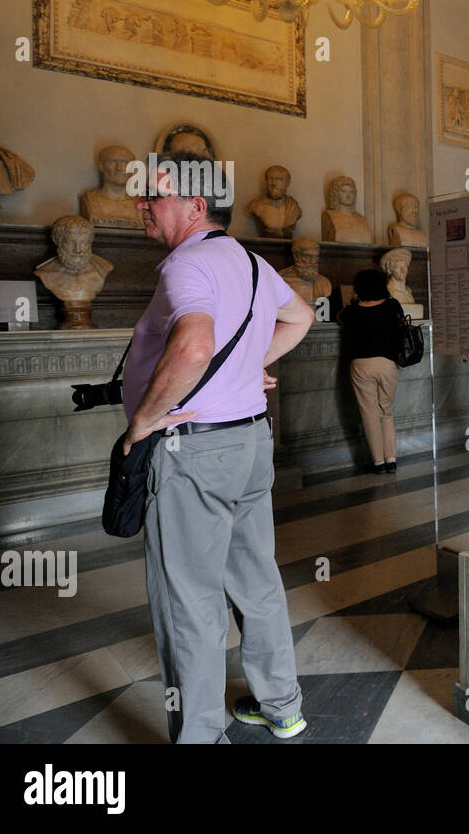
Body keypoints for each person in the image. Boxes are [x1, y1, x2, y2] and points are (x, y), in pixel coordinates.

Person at [127, 150, 315, 743]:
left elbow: (192, 346)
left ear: (195, 205)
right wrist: (247, 366)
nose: (143, 208)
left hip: (194, 450)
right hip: (251, 444)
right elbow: (303, 317)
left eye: (154, 197)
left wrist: (142, 425)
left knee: (190, 599)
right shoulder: (252, 263)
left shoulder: (186, 264)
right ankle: (281, 705)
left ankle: (201, 736)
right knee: (255, 578)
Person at [339, 268, 404, 474]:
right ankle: (391, 459)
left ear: (358, 289)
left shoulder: (354, 310)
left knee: (369, 414)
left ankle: (378, 462)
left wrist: (352, 301)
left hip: (361, 365)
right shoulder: (393, 305)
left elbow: (340, 318)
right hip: (387, 364)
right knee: (386, 411)